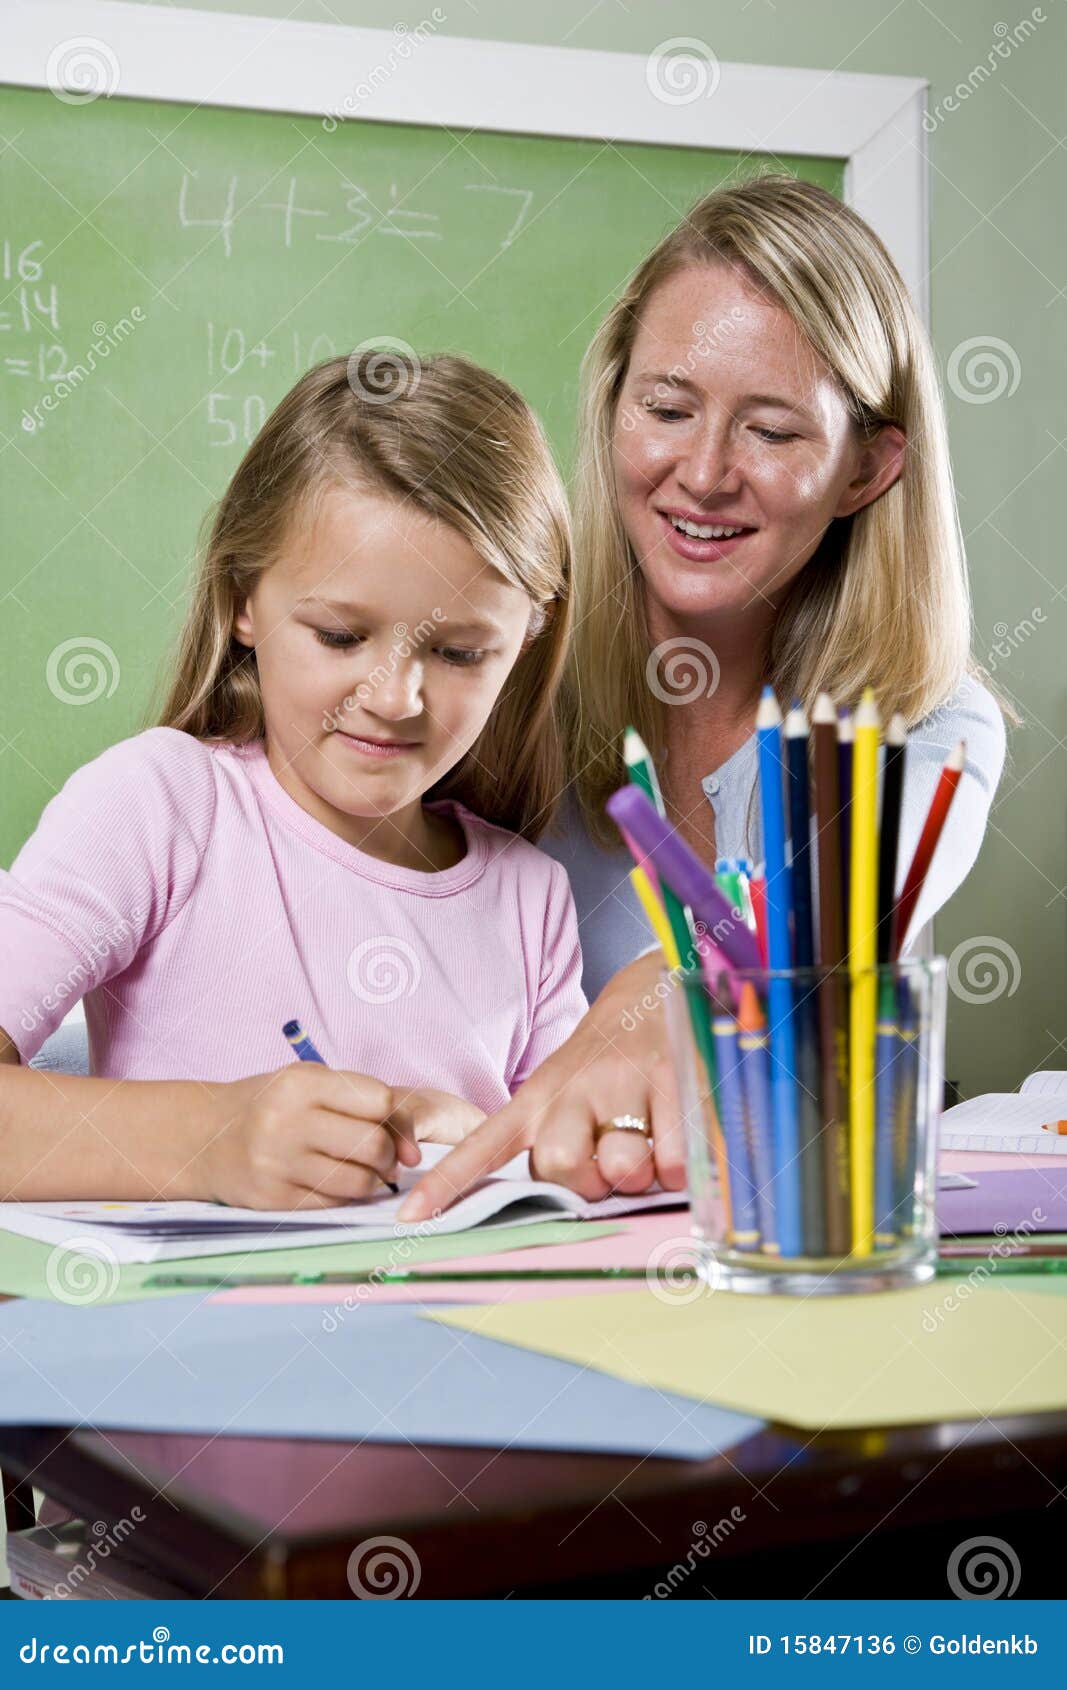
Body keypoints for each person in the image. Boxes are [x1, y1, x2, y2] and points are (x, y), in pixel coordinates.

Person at [399, 173, 1006, 1223]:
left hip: (746, 1252)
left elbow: (809, 941)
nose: (704, 473)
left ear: (866, 467)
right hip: (456, 1233)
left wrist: (653, 994)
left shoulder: (929, 724)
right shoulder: (496, 660)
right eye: (667, 409)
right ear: (612, 404)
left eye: (771, 432)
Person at [0, 352, 587, 1208]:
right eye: (341, 638)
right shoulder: (162, 807)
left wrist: (488, 1149)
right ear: (243, 599)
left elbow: (574, 1175)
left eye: (459, 653)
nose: (393, 698)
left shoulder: (530, 897)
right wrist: (213, 1140)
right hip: (185, 1338)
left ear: (523, 644)